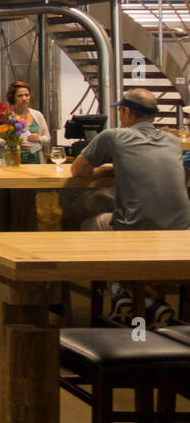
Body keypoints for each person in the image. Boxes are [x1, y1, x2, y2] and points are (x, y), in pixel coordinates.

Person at [71, 89, 189, 326]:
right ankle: (149, 302)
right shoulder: (173, 141)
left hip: (137, 231)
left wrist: (105, 170)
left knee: (90, 224)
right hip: (181, 230)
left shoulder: (113, 136)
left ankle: (119, 291)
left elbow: (79, 171)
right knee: (134, 220)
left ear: (126, 112)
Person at [7, 80, 49, 164]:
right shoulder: (5, 116)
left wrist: (39, 138)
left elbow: (47, 137)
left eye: (27, 95)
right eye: (20, 96)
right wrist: (15, 145)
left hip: (35, 162)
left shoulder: (37, 115)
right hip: (12, 163)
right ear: (13, 97)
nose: (24, 98)